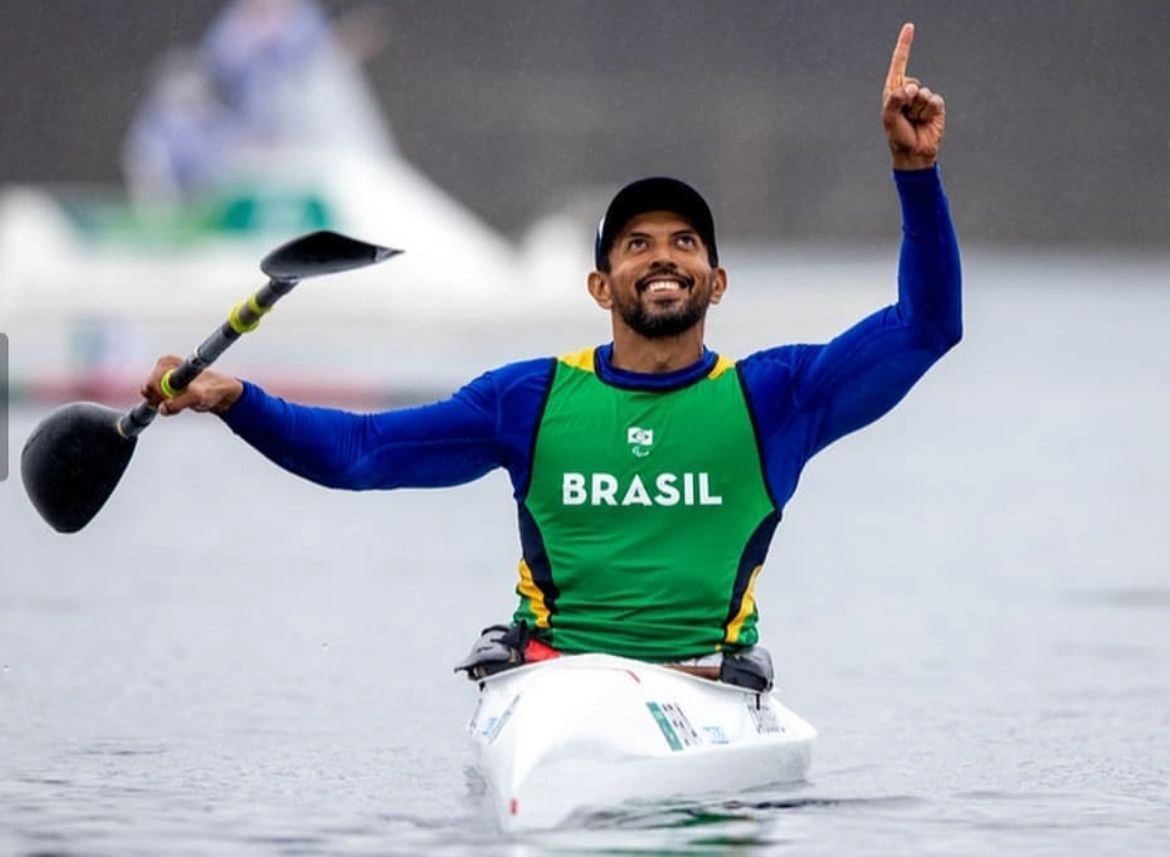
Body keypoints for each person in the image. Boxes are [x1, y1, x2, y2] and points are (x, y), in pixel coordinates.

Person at [141, 23, 960, 687]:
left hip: (707, 687)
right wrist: (235, 398)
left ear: (717, 281)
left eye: (685, 242)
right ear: (601, 287)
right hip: (550, 684)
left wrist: (914, 172)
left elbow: (925, 327)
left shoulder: (776, 398)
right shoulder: (528, 400)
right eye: (636, 244)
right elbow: (359, 453)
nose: (663, 255)